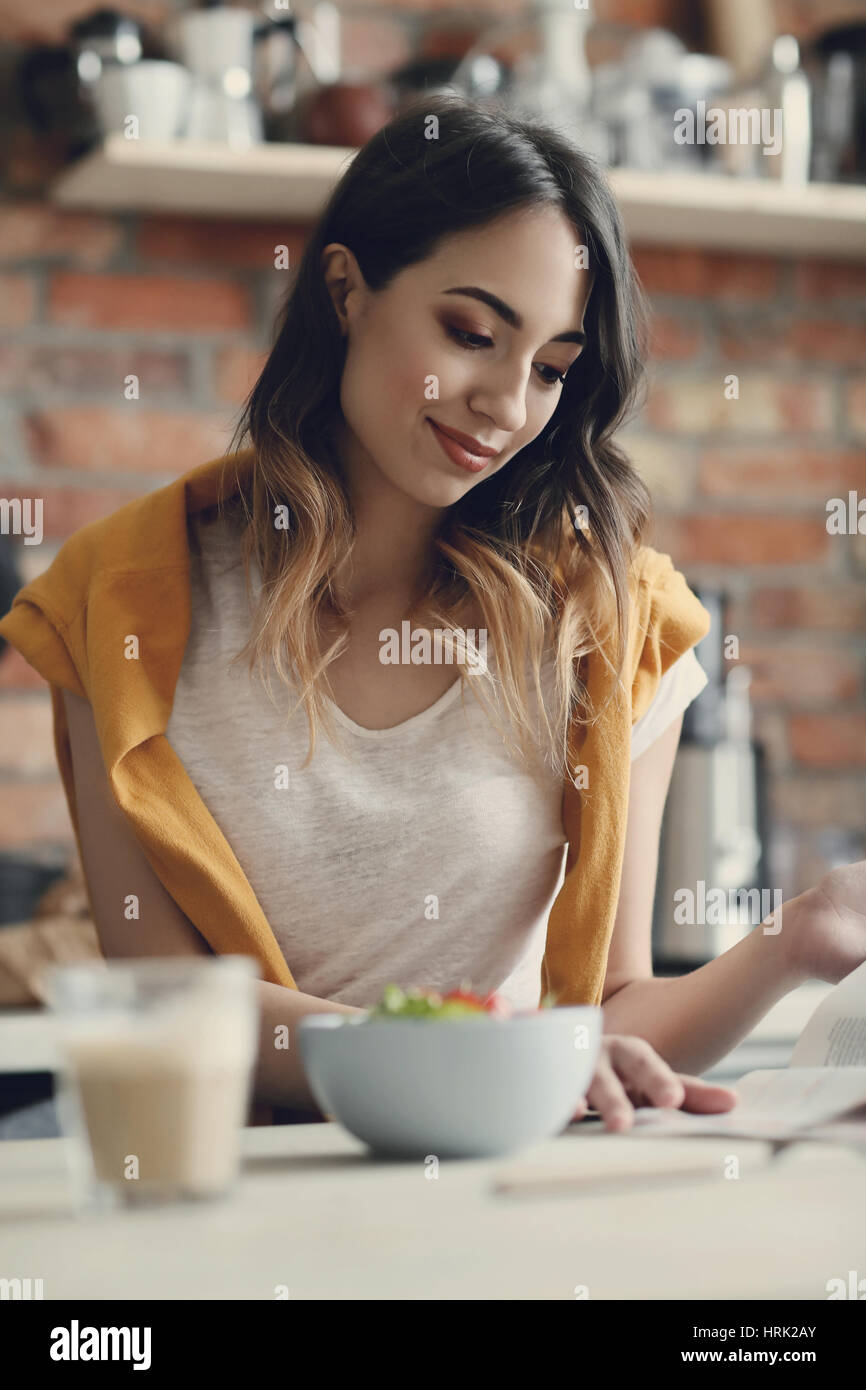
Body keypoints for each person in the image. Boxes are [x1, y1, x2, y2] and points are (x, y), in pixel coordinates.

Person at [3, 95, 864, 1133]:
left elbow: (610, 1016)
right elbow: (168, 995)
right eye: (470, 333)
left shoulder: (612, 621)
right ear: (345, 292)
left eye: (549, 368)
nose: (506, 403)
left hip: (479, 1188)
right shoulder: (118, 594)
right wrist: (440, 1053)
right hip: (230, 1190)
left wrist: (795, 940)